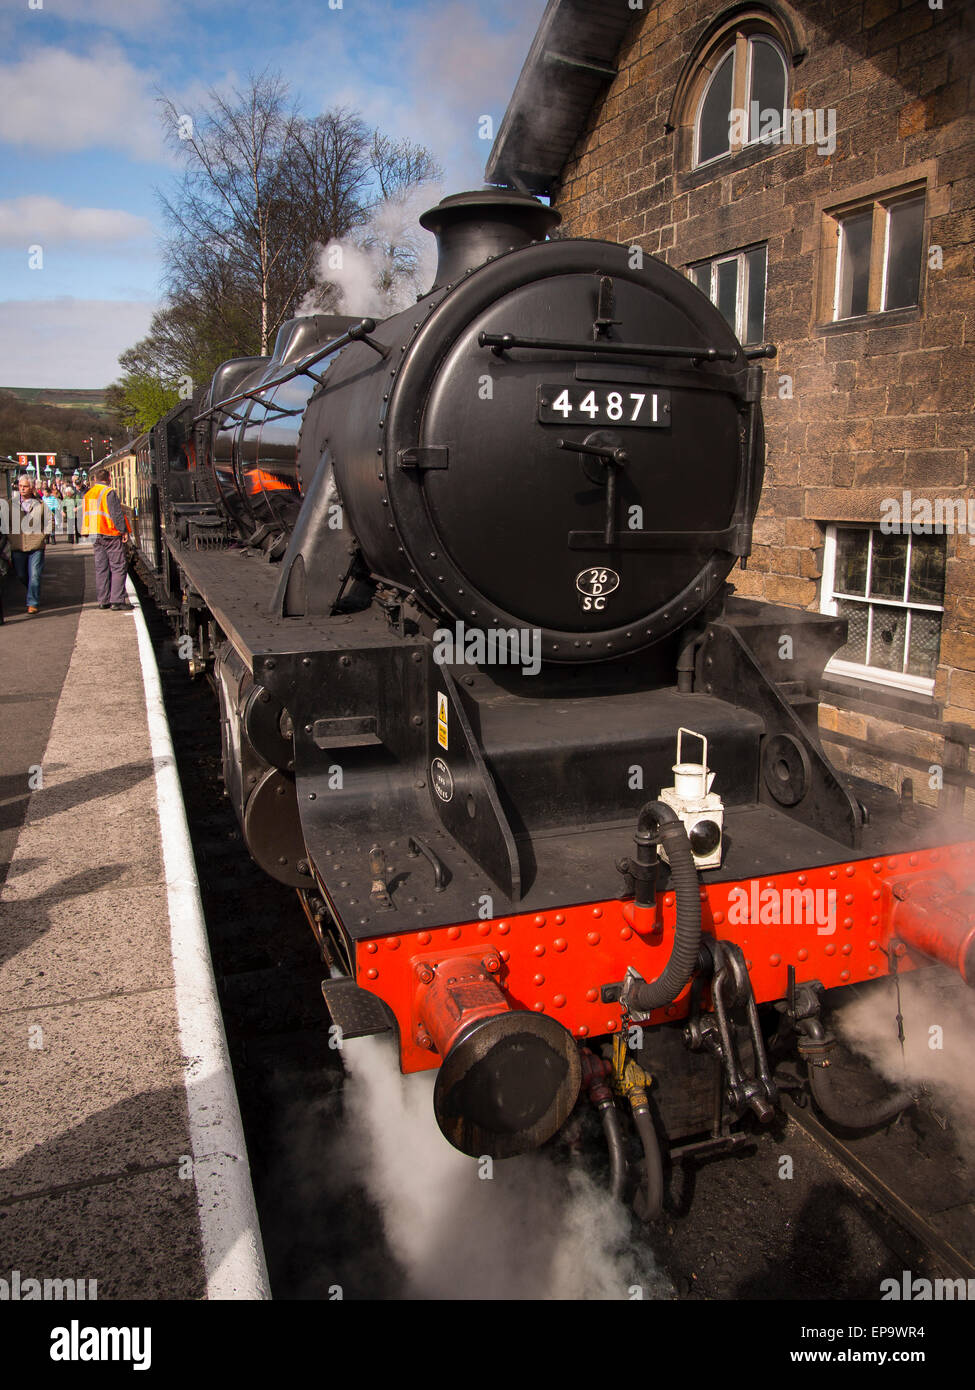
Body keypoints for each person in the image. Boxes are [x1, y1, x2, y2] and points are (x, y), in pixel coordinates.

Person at [82, 465, 130, 609]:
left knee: (101, 568)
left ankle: (103, 601)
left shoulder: (89, 494)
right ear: (109, 479)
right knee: (118, 566)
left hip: (95, 534)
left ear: (95, 479)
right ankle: (117, 600)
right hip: (110, 533)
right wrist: (123, 531)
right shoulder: (109, 492)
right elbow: (116, 514)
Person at [9, 473, 46, 614]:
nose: (22, 489)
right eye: (20, 486)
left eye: (25, 486)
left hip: (36, 546)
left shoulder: (40, 505)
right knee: (21, 575)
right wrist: (10, 537)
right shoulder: (10, 504)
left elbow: (50, 522)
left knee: (35, 574)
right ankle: (33, 590)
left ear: (31, 488)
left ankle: (32, 603)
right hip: (18, 545)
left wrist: (43, 536)